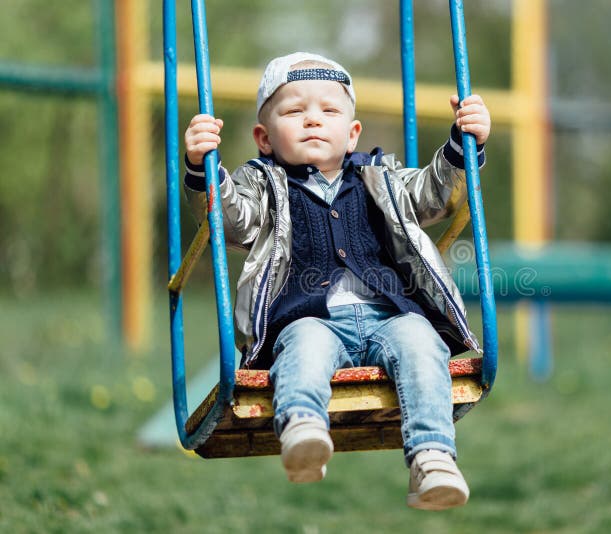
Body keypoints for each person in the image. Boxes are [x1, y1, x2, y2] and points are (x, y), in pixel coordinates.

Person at [183, 52, 490, 511]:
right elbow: (232, 219)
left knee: (423, 343)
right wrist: (202, 166)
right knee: (303, 347)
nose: (312, 120)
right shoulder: (264, 185)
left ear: (352, 134)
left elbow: (432, 195)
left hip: (391, 315)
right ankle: (303, 430)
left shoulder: (380, 178)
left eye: (328, 111)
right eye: (293, 111)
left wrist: (462, 145)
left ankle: (432, 456)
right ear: (264, 139)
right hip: (309, 318)